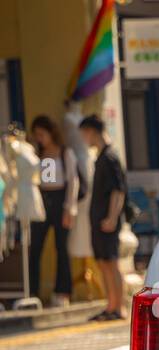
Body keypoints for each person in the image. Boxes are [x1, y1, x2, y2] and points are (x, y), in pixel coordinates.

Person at [77, 114, 126, 322]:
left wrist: (112, 217)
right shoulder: (101, 157)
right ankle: (110, 305)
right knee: (103, 263)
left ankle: (119, 307)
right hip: (99, 220)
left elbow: (118, 191)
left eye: (84, 134)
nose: (84, 139)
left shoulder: (110, 157)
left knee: (112, 263)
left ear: (91, 132)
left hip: (107, 220)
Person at [27, 115, 79, 308]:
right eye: (37, 135)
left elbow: (73, 180)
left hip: (60, 199)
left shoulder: (65, 153)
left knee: (61, 247)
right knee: (35, 247)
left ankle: (62, 291)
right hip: (40, 199)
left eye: (42, 134)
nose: (40, 138)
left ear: (51, 133)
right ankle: (33, 291)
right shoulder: (36, 154)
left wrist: (69, 207)